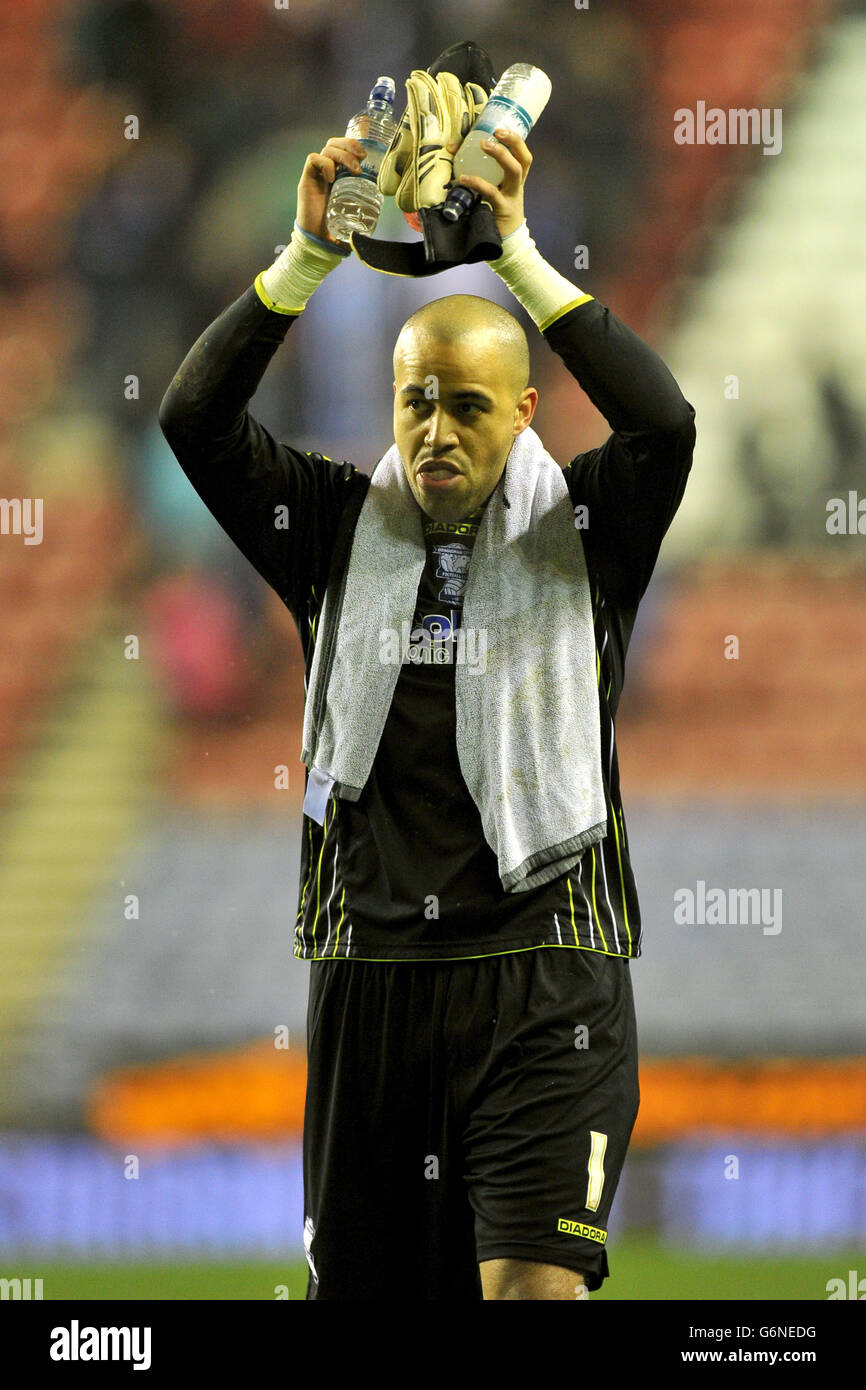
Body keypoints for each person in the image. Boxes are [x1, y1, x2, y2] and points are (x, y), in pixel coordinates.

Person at [159, 123, 696, 1301]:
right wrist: (302, 259)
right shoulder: (330, 529)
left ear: (522, 413)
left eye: (466, 405)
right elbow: (194, 420)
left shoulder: (587, 533)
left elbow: (664, 423)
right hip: (373, 979)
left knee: (528, 1294)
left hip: (546, 975)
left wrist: (515, 256)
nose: (435, 431)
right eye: (415, 403)